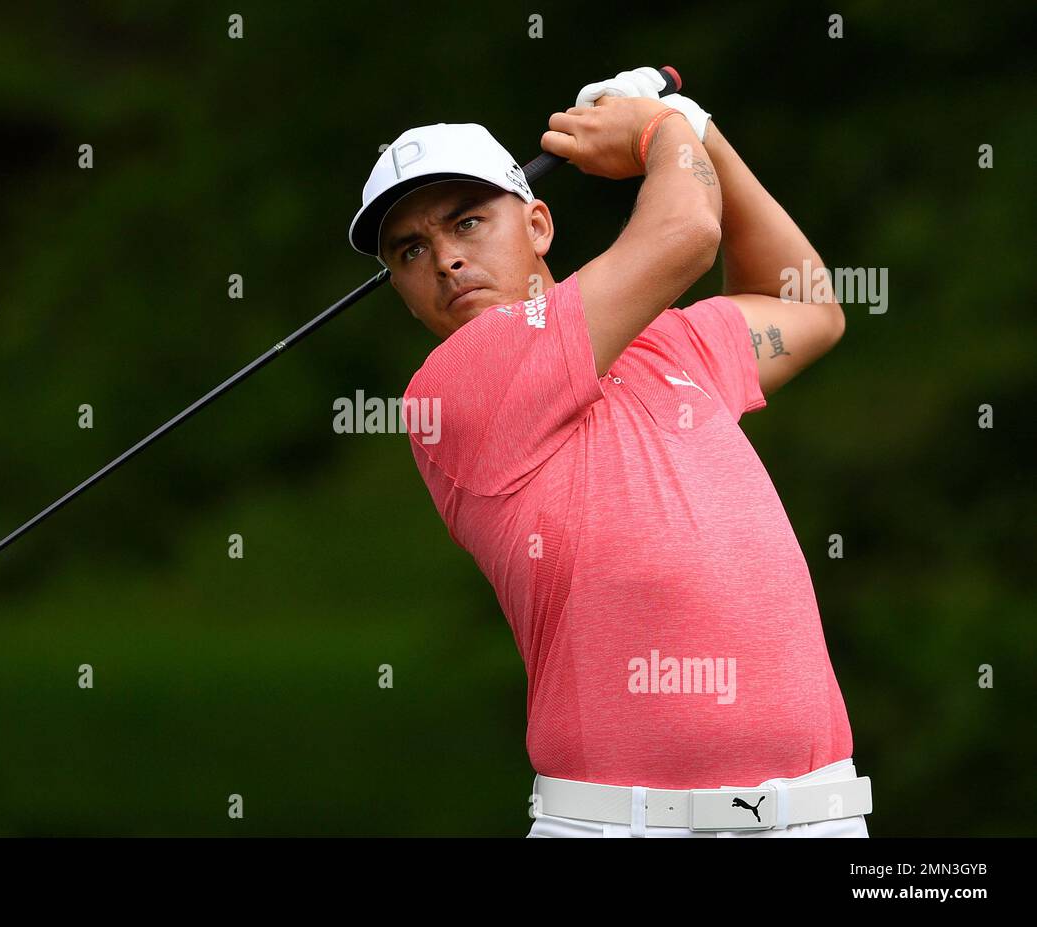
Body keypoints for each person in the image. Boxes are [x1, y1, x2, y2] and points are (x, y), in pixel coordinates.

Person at [347, 67, 871, 837]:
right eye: (410, 251)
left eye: (466, 223)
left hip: (816, 813)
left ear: (537, 226)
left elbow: (808, 306)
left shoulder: (674, 340)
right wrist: (660, 134)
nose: (445, 260)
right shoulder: (453, 389)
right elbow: (688, 232)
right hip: (620, 826)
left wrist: (700, 127)